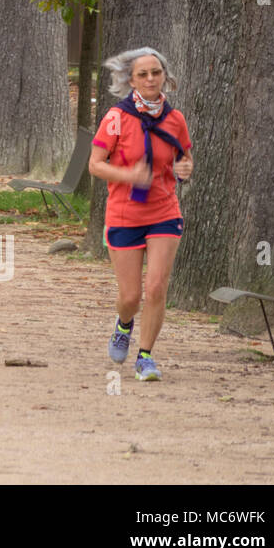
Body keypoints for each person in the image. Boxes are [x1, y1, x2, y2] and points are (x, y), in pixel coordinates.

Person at [89, 47, 194, 382]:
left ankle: (145, 356)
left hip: (164, 210)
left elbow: (184, 158)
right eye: (143, 74)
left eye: (156, 72)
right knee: (131, 296)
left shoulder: (175, 119)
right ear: (131, 80)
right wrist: (129, 176)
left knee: (158, 286)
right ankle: (123, 325)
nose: (151, 79)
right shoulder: (116, 117)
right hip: (124, 214)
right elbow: (95, 165)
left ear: (164, 75)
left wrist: (185, 168)